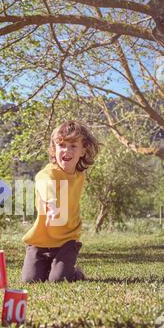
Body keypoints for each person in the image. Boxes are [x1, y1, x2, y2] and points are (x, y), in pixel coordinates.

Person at [21, 120, 99, 283]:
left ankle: (75, 272)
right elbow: (44, 183)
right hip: (40, 242)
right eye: (62, 145)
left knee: (58, 280)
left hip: (67, 240)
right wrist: (51, 203)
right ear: (53, 149)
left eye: (73, 146)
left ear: (83, 150)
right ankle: (52, 266)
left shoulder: (80, 175)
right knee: (30, 281)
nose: (67, 150)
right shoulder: (48, 173)